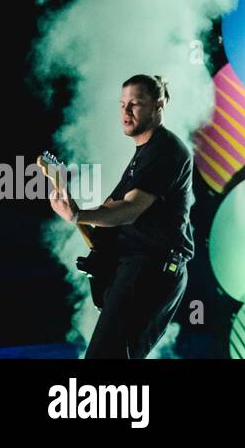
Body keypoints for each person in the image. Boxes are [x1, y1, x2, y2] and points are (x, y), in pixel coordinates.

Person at [49, 74, 194, 358]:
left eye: (135, 104)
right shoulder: (145, 152)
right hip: (139, 269)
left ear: (158, 105)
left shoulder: (165, 151)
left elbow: (129, 209)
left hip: (152, 270)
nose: (125, 112)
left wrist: (78, 214)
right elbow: (115, 209)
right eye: (122, 104)